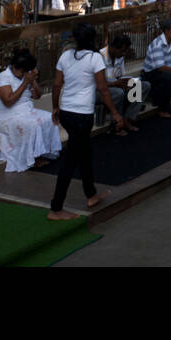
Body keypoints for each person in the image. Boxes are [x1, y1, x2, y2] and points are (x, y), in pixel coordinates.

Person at [48, 23, 126, 220]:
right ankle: (56, 208)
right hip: (82, 115)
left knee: (84, 153)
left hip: (66, 112)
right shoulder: (95, 58)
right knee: (70, 161)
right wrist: (116, 114)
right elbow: (103, 89)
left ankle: (91, 194)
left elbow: (57, 84)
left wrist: (55, 107)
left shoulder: (66, 56)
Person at [0, 47, 61, 172]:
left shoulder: (26, 77)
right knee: (33, 124)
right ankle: (32, 158)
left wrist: (32, 81)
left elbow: (38, 95)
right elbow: (8, 101)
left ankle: (42, 153)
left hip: (26, 112)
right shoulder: (2, 78)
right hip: (6, 117)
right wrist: (25, 83)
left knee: (49, 118)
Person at [100, 34, 143, 133]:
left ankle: (127, 119)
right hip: (101, 90)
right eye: (122, 51)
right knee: (118, 92)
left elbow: (119, 76)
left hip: (115, 85)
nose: (124, 54)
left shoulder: (119, 56)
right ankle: (115, 124)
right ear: (113, 47)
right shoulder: (100, 57)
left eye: (125, 51)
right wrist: (116, 83)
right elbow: (99, 85)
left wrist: (124, 82)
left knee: (140, 85)